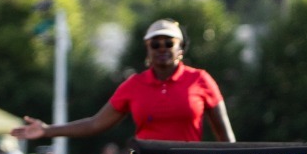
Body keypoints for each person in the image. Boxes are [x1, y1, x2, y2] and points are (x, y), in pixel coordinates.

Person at [14, 18, 236, 145]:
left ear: (180, 48)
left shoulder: (200, 80)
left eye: (168, 43)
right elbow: (95, 123)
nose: (161, 49)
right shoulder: (134, 85)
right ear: (147, 49)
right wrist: (47, 130)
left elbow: (225, 136)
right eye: (155, 44)